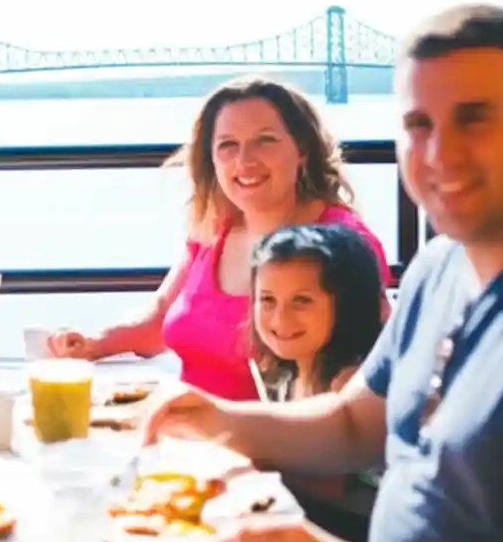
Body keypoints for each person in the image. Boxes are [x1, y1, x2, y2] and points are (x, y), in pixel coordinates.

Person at [143, 4, 503, 542]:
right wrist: (216, 419)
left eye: (474, 119)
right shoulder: (439, 267)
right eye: (420, 125)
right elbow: (353, 423)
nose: (441, 153)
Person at [48, 76, 392, 400]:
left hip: (277, 447)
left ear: (301, 149)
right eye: (228, 145)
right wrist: (94, 343)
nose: (245, 161)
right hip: (189, 439)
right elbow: (158, 322)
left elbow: (378, 368)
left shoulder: (342, 244)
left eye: (265, 141)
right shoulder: (215, 228)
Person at [246, 223, 385, 542]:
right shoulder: (282, 374)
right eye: (267, 299)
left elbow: (330, 482)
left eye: (302, 301)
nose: (280, 320)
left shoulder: (352, 383)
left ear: (348, 304)